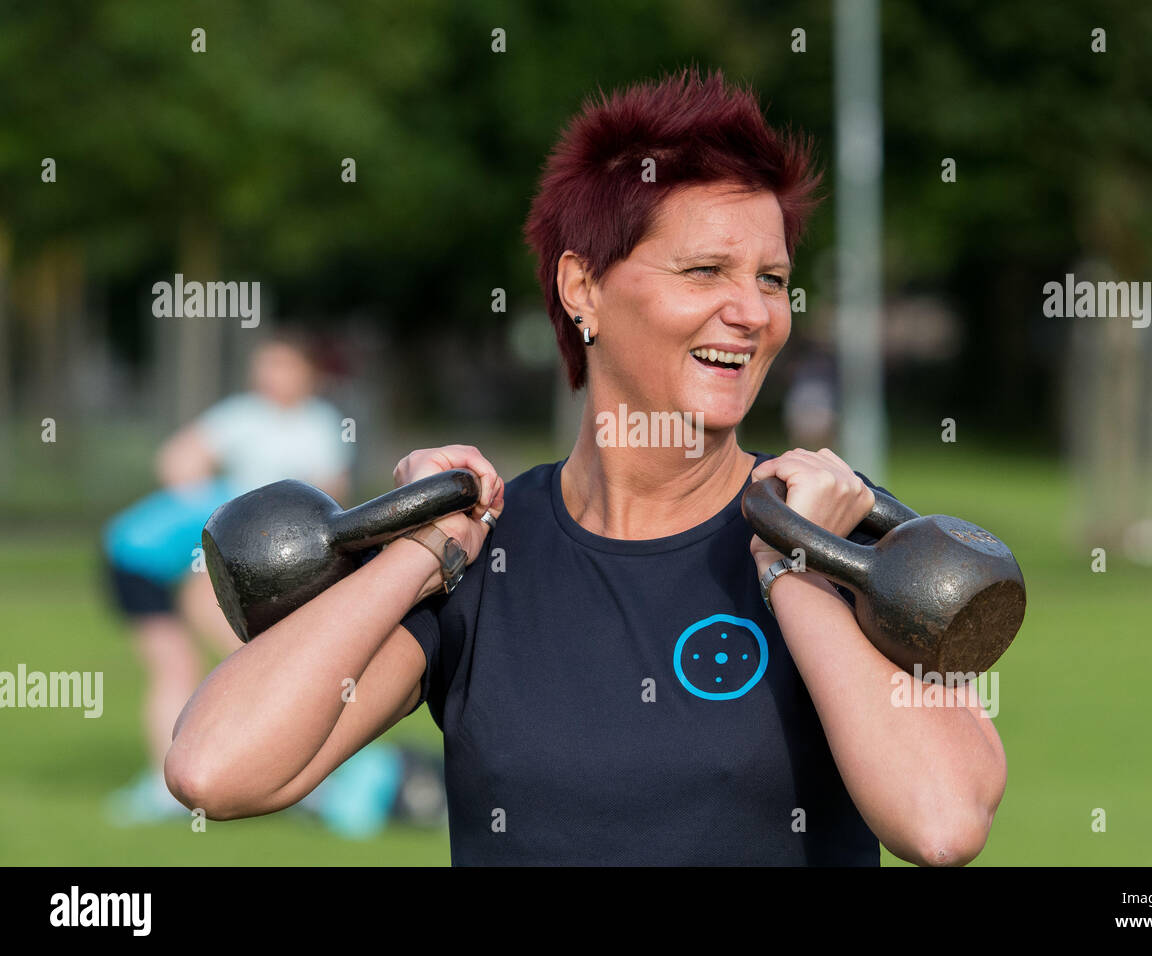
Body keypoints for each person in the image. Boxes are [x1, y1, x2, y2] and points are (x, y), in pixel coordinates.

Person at [165, 67, 1007, 865]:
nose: (751, 312)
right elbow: (218, 770)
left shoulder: (844, 537)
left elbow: (941, 823)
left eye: (773, 279)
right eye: (705, 270)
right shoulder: (479, 562)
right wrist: (417, 549)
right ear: (582, 288)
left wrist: (800, 565)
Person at [102, 333, 355, 823]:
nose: (271, 377)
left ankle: (290, 774)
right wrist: (217, 497)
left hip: (216, 564)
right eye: (266, 365)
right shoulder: (242, 417)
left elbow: (327, 503)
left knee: (261, 661)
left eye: (283, 366)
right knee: (195, 665)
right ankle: (179, 784)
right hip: (138, 560)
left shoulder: (321, 425)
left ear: (308, 374)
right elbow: (176, 460)